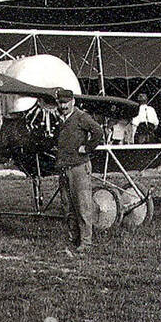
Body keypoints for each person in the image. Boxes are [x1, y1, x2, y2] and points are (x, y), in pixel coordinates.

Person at [51, 87, 104, 252]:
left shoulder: (81, 117)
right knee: (68, 206)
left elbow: (98, 131)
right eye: (60, 103)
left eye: (66, 103)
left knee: (82, 206)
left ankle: (86, 242)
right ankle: (73, 239)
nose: (63, 106)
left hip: (79, 167)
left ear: (73, 102)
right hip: (64, 167)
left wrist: (87, 148)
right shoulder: (60, 119)